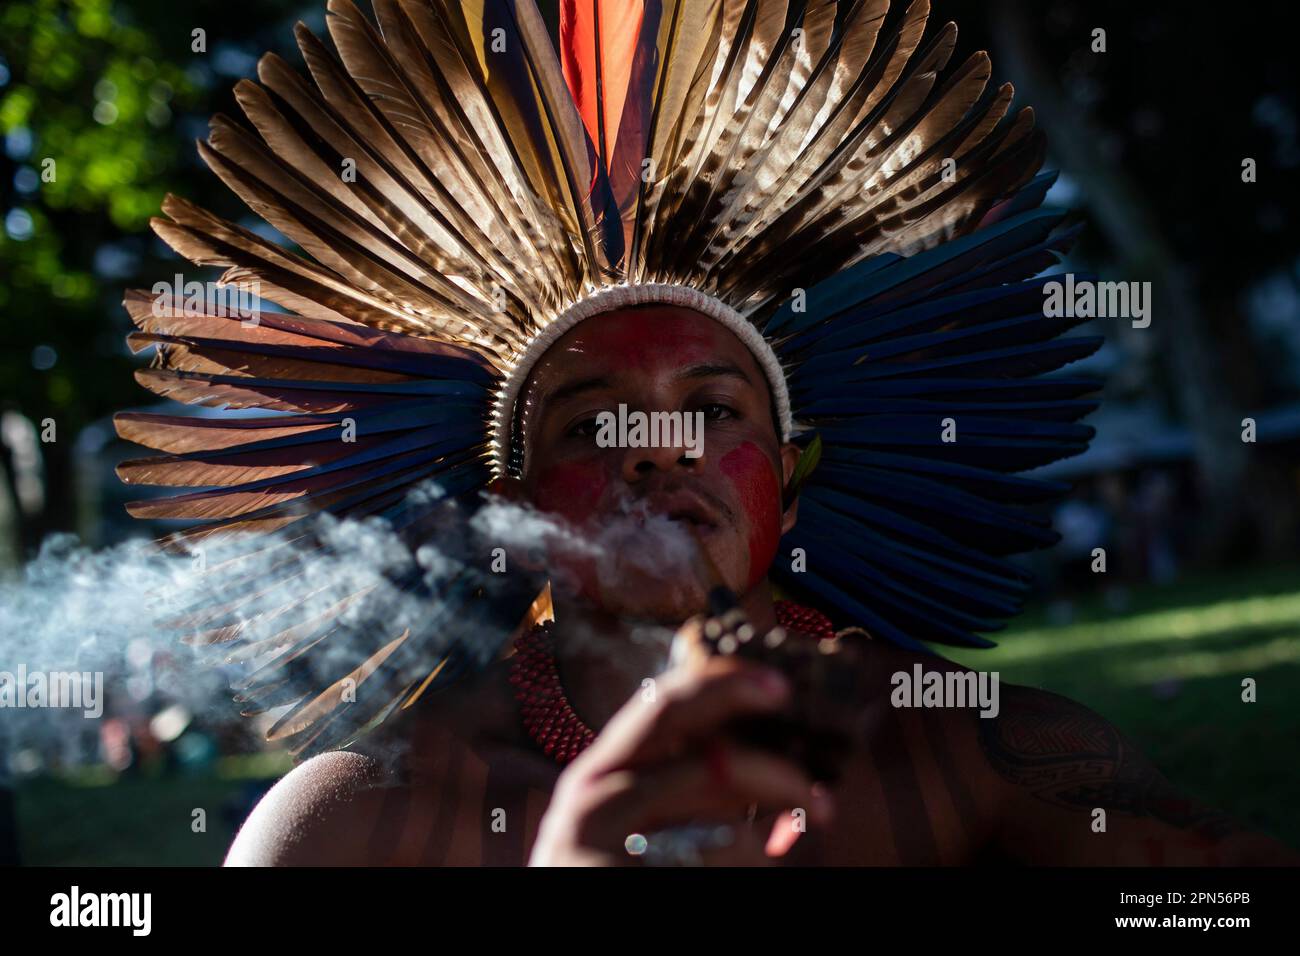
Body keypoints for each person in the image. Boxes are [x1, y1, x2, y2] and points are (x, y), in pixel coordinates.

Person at [110, 0, 1295, 865]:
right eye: (589, 419)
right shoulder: (357, 819)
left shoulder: (983, 755)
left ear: (790, 469)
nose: (656, 445)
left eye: (714, 410)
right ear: (505, 504)